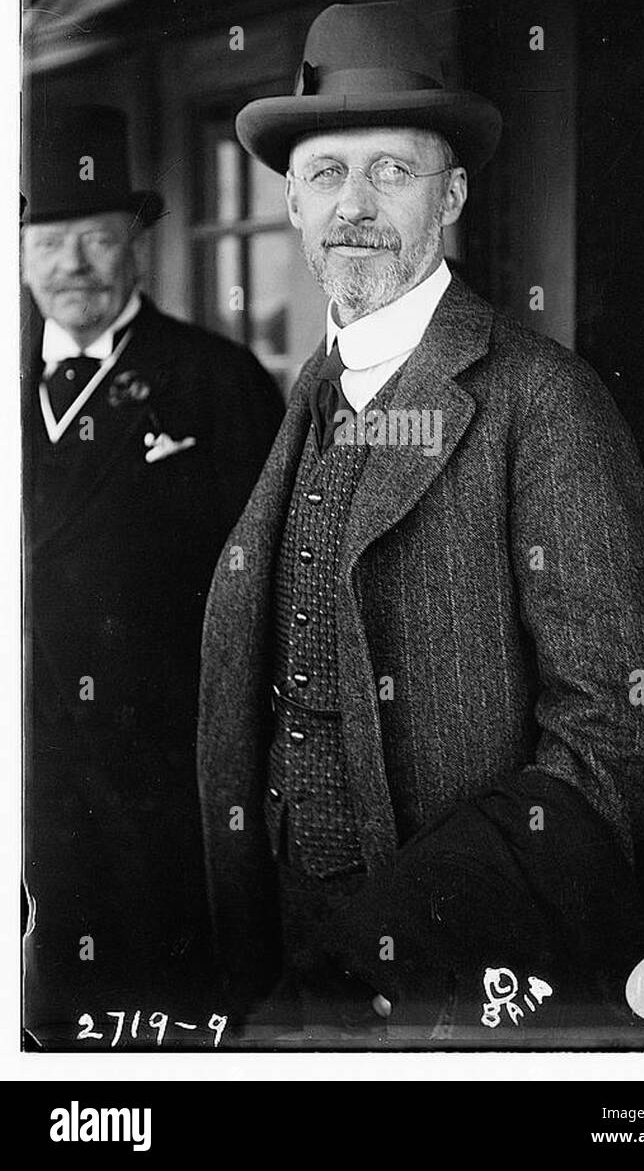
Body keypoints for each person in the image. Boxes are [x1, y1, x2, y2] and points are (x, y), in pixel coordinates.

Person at [198, 3, 644, 1040]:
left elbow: (611, 743)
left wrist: (402, 945)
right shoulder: (308, 396)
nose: (354, 206)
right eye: (327, 174)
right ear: (290, 202)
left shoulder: (541, 399)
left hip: (450, 979)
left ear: (450, 194)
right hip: (282, 945)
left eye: (391, 173)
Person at [21, 104, 284, 1044]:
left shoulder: (214, 380)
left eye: (96, 237)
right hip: (30, 768)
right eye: (49, 240)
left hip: (166, 770)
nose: (74, 264)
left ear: (134, 242)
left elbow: (270, 585)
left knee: (162, 1003)